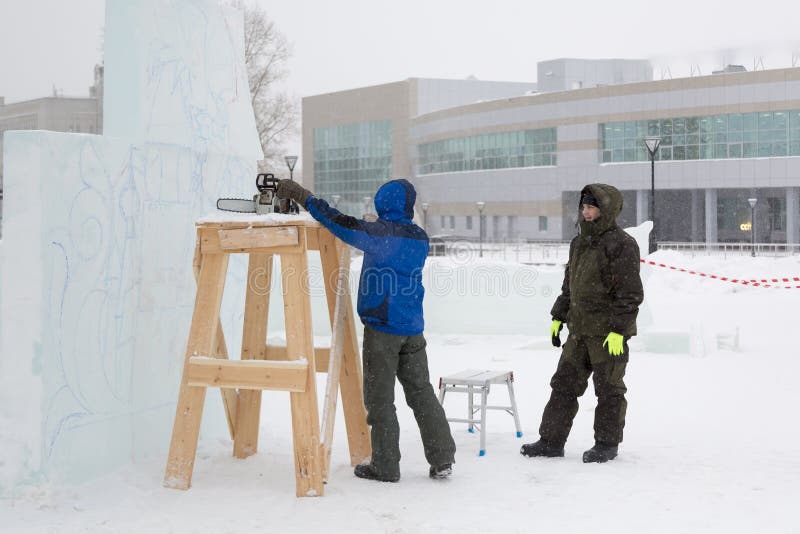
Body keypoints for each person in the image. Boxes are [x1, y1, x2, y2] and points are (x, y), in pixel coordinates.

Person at [277, 178, 456, 482]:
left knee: (379, 400)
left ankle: (385, 466)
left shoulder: (381, 235)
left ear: (382, 203)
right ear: (408, 206)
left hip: (383, 330)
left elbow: (340, 223)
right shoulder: (419, 237)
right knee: (421, 392)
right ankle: (442, 458)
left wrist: (305, 198)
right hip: (412, 329)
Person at [521, 184, 643, 463]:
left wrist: (618, 330)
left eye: (591, 208)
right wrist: (558, 317)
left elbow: (630, 294)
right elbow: (569, 286)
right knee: (563, 385)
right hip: (579, 332)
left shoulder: (621, 244)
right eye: (584, 207)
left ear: (606, 210)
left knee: (609, 390)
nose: (586, 213)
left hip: (606, 335)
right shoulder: (579, 243)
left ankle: (606, 444)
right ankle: (551, 441)